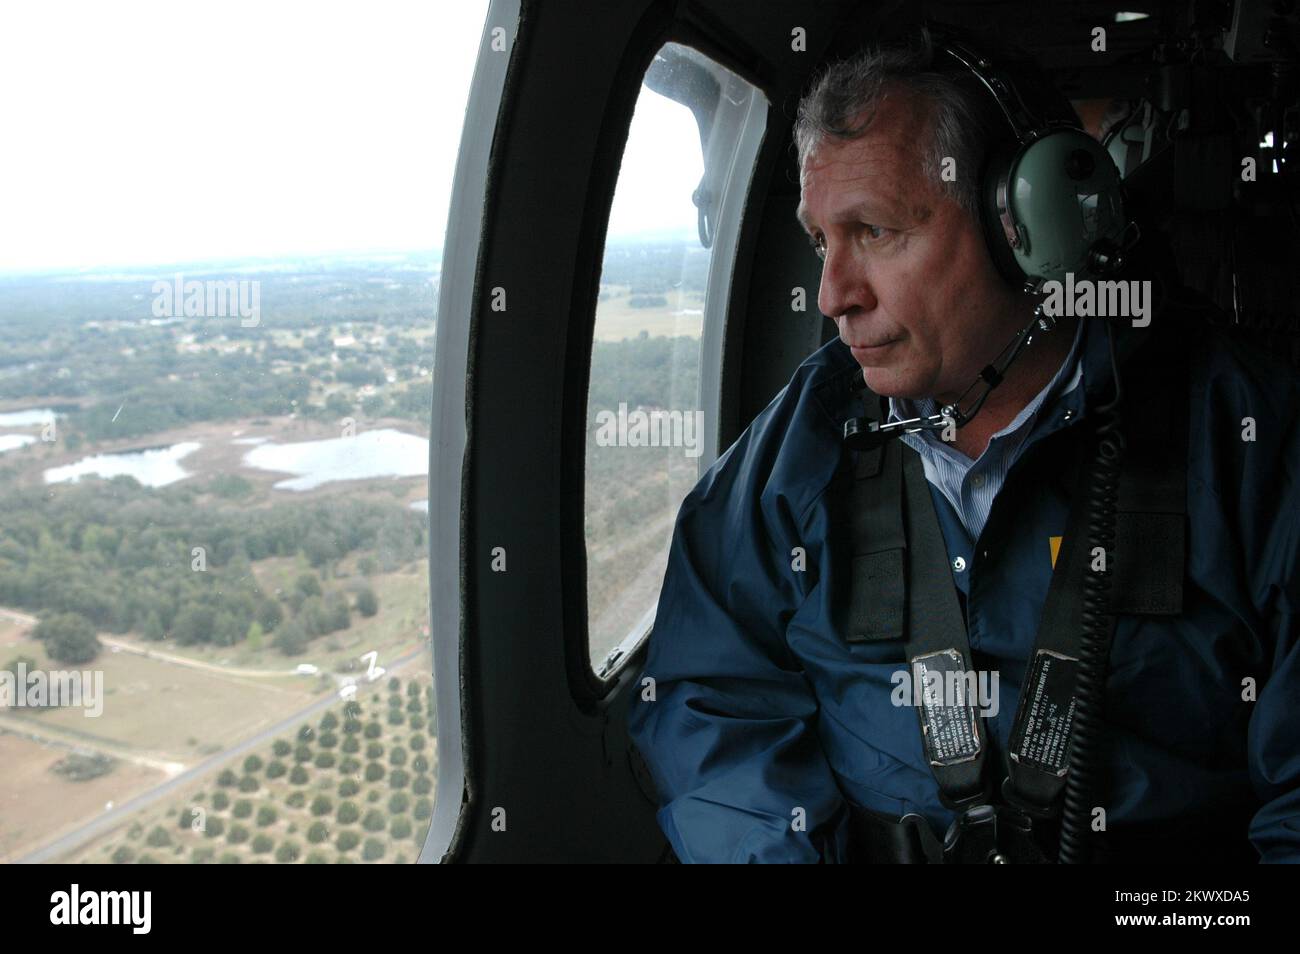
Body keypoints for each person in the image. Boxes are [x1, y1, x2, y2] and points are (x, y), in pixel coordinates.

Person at [626, 28, 1300, 863]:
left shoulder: (1251, 439)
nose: (834, 294)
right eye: (820, 241)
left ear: (1028, 227)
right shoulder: (807, 431)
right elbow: (712, 693)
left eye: (873, 232)